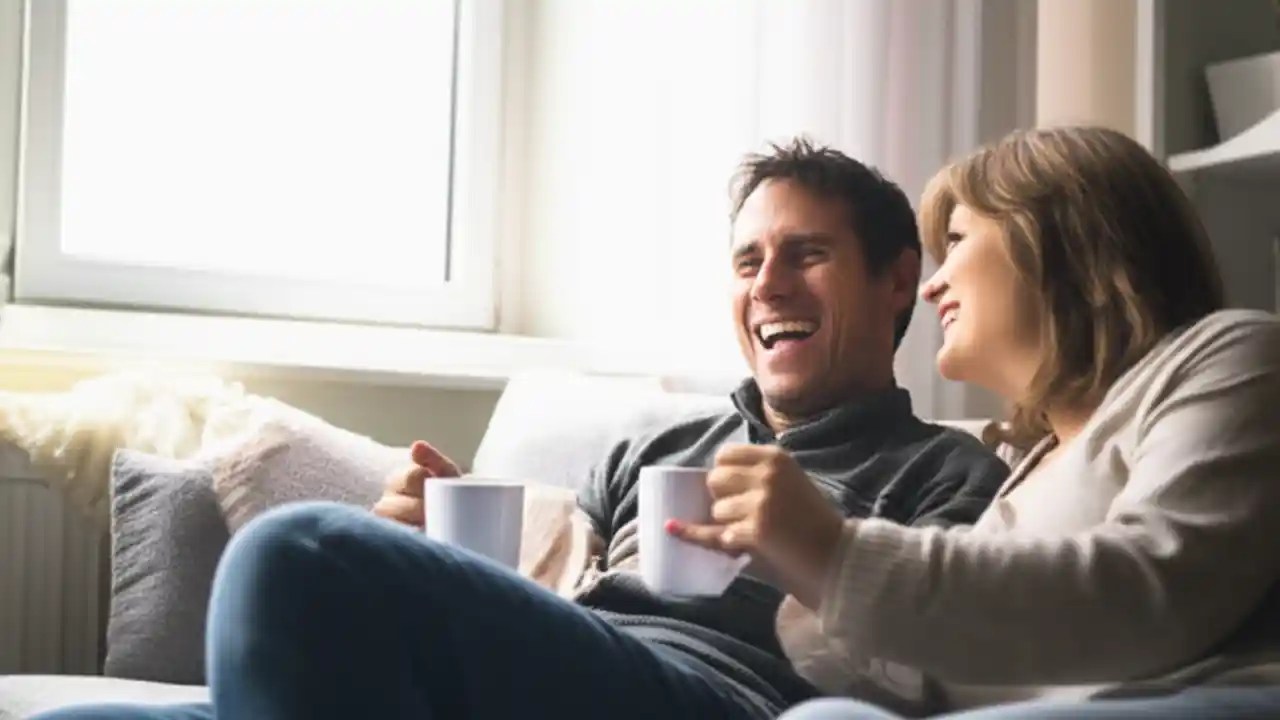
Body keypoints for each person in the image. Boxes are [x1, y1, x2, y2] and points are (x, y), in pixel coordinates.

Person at [34, 139, 1009, 720]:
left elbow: (929, 665)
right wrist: (418, 553)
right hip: (573, 667)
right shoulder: (655, 448)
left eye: (806, 255)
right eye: (747, 260)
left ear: (894, 282)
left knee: (293, 554)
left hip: (716, 698)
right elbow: (545, 611)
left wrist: (812, 547)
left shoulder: (942, 473)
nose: (767, 284)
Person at [745, 126, 1280, 719]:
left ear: (1066, 240)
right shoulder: (1022, 467)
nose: (930, 285)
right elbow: (949, 674)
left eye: (955, 243)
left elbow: (1154, 594)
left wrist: (833, 553)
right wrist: (795, 572)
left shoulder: (1235, 353)